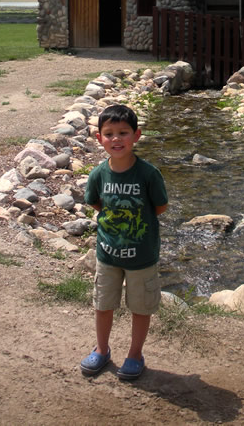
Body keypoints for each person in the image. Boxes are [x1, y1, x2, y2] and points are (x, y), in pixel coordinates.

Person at [80, 104, 168, 380]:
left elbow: (160, 207)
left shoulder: (148, 174)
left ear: (136, 135)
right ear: (99, 138)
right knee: (103, 303)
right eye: (109, 134)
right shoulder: (98, 174)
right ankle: (102, 349)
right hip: (107, 255)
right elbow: (96, 202)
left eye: (123, 133)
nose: (116, 139)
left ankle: (134, 354)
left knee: (140, 307)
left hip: (141, 256)